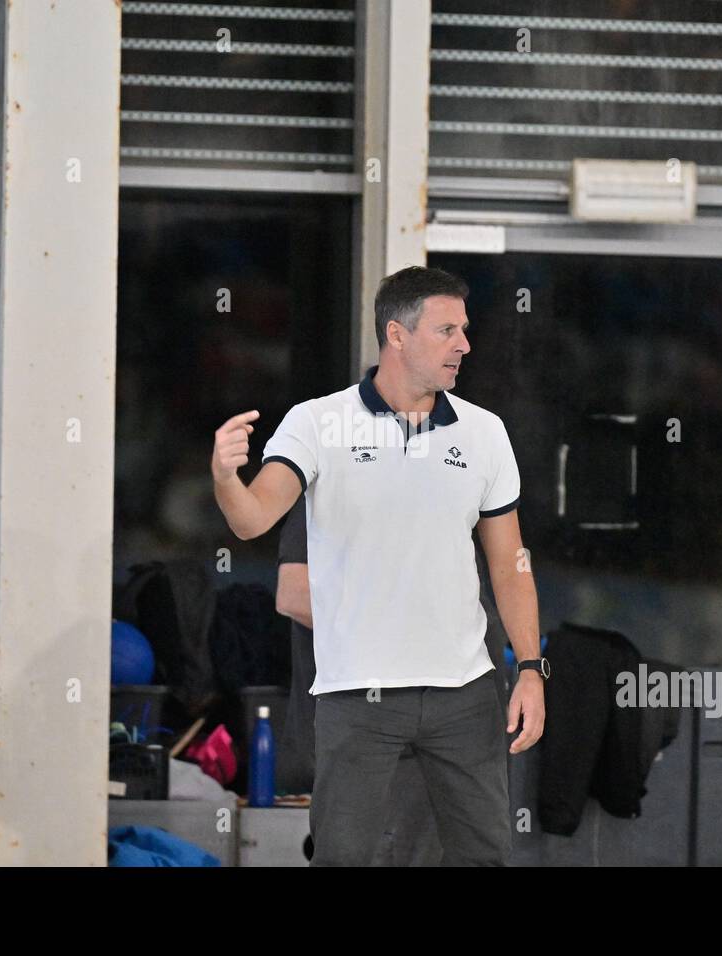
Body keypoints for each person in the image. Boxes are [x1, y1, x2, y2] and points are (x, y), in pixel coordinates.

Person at [211, 266, 546, 866]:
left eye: (464, 330)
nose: (464, 345)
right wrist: (224, 478)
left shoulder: (485, 433)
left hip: (466, 695)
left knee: (485, 858)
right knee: (343, 861)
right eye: (447, 330)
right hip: (355, 695)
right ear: (397, 335)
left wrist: (529, 669)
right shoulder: (317, 424)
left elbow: (510, 565)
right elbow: (252, 519)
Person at [274, 496, 512, 864]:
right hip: (379, 738)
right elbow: (295, 594)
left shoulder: (452, 486)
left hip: (455, 733)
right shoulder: (338, 482)